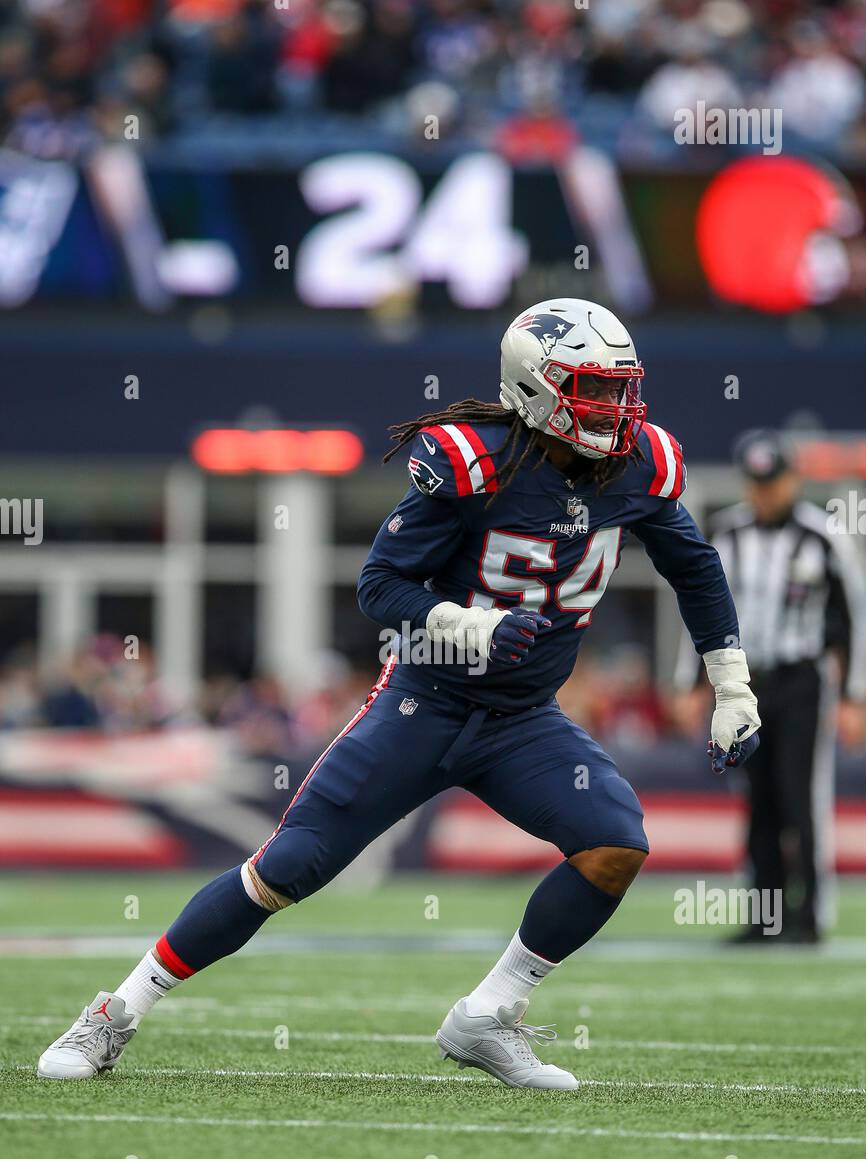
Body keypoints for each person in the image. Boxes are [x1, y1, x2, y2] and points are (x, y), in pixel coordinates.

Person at [37, 298, 760, 1091]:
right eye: (593, 388)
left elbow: (694, 567)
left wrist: (731, 684)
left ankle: (487, 1017)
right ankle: (114, 1012)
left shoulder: (642, 464)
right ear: (536, 387)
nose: (614, 409)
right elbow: (379, 586)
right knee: (288, 866)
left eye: (621, 389)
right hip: (426, 702)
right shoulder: (473, 460)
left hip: (522, 719)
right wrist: (465, 624)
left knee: (615, 845)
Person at [673, 429, 866, 943]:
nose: (764, 493)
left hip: (802, 679)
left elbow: (854, 618)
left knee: (800, 795)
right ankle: (766, 917)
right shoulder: (726, 535)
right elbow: (702, 613)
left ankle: (810, 915)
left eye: (773, 482)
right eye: (756, 483)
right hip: (745, 683)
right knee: (757, 800)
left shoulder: (823, 535)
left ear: (793, 479)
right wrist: (692, 683)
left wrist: (853, 695)